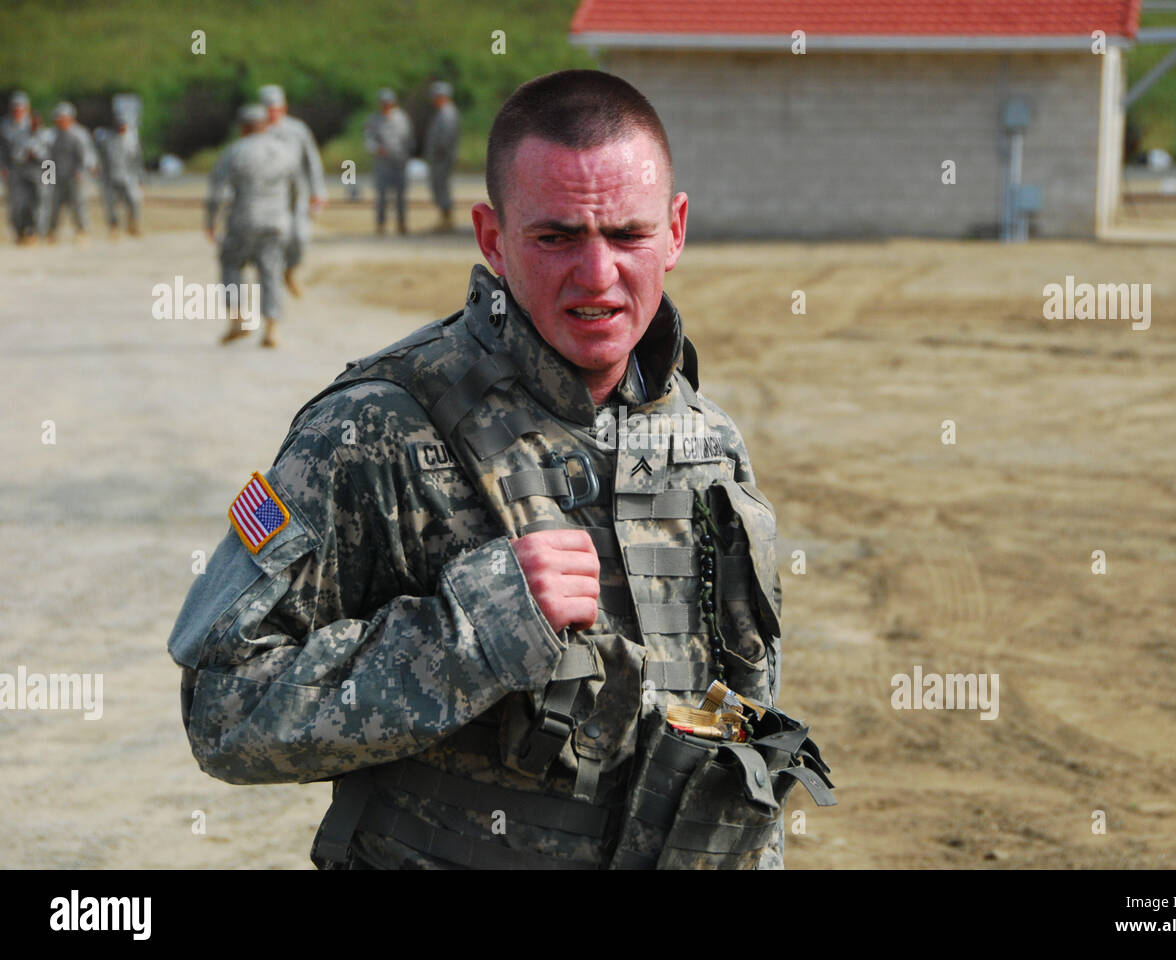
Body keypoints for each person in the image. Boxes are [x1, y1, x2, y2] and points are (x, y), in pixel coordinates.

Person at [167, 70, 832, 870]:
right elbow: (224, 713)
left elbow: (736, 727)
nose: (596, 276)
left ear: (676, 230)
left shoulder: (705, 439)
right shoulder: (369, 430)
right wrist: (469, 636)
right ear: (492, 237)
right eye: (555, 237)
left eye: (627, 235)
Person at [204, 103, 298, 348]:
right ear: (265, 125)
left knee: (232, 264)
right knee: (271, 270)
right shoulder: (285, 151)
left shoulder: (234, 152)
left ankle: (238, 320)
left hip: (244, 218)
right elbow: (296, 188)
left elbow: (218, 192)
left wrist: (211, 221)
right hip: (277, 221)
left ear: (243, 127)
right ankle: (271, 329)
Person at [259, 85, 326, 297]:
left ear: (284, 108)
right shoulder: (256, 130)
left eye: (276, 108)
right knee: (273, 239)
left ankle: (290, 271)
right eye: (268, 109)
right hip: (268, 195)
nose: (272, 113)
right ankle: (271, 285)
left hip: (297, 192)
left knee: (300, 236)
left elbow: (312, 161)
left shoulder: (297, 130)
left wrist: (318, 191)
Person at [42, 102, 98, 243]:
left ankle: (82, 231)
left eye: (63, 118)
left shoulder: (79, 134)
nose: (60, 121)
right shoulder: (51, 135)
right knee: (53, 204)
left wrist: (81, 171)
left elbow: (86, 156)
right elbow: (47, 156)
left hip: (75, 175)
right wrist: (47, 177)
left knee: (78, 204)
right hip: (55, 175)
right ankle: (51, 231)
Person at [363, 88, 413, 235]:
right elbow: (368, 139)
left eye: (388, 102)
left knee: (401, 195)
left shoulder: (402, 118)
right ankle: (381, 224)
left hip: (399, 163)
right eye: (383, 103)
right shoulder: (373, 120)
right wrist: (376, 148)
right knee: (381, 195)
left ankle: (402, 224)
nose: (386, 105)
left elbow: (409, 140)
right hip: (382, 163)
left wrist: (405, 155)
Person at [1, 91, 44, 245]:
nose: (18, 111)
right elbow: (3, 149)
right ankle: (19, 232)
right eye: (15, 108)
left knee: (35, 201)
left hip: (33, 167)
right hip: (14, 168)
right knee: (16, 203)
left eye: (21, 108)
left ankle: (32, 231)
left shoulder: (35, 124)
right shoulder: (5, 126)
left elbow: (44, 148)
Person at [97, 108, 144, 237]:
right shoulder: (106, 140)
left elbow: (137, 160)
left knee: (134, 200)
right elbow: (101, 158)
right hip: (110, 176)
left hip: (129, 176)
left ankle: (133, 224)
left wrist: (140, 178)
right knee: (111, 204)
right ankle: (114, 227)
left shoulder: (132, 140)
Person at [423, 80, 458, 232]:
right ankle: (444, 218)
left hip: (442, 158)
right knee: (439, 186)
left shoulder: (447, 113)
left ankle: (447, 220)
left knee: (442, 187)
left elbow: (446, 138)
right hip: (439, 157)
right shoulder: (443, 112)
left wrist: (438, 153)